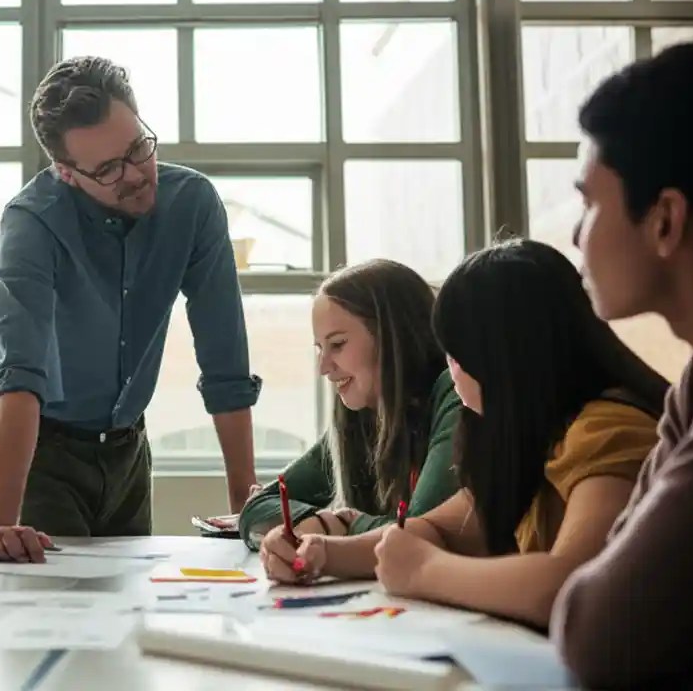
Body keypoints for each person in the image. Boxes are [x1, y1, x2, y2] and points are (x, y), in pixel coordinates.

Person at [277, 239, 669, 630]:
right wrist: (322, 552)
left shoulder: (606, 429)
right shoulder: (534, 438)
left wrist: (426, 571)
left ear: (505, 356)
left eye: (456, 355)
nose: (451, 374)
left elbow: (569, 587)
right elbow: (437, 529)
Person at [0, 56, 260, 561]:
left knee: (128, 620)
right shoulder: (31, 226)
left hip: (129, 449)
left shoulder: (192, 204)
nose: (134, 175)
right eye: (108, 169)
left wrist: (247, 506)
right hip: (44, 453)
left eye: (137, 149)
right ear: (66, 172)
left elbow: (225, 358)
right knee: (45, 612)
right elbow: (19, 378)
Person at [551, 41, 693, 687]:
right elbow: (615, 586)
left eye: (589, 202)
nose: (575, 236)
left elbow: (601, 634)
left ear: (666, 220)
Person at [240, 260, 461, 554]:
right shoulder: (361, 415)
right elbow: (257, 509)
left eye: (338, 344)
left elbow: (418, 534)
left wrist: (341, 525)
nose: (323, 368)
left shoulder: (455, 394)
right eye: (319, 348)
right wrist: (330, 524)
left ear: (392, 335)